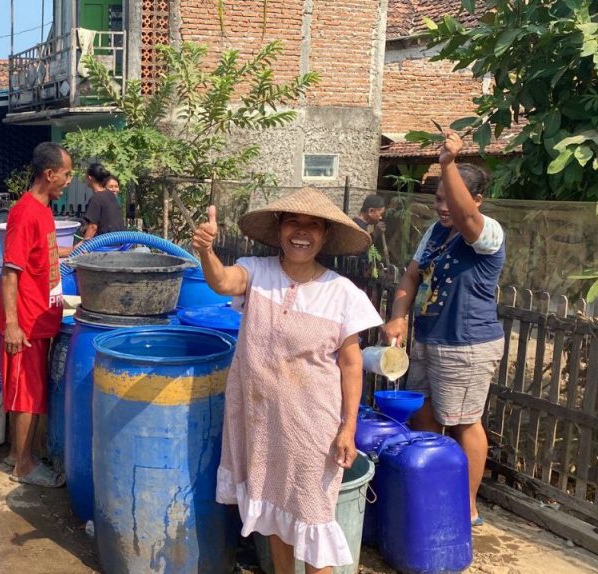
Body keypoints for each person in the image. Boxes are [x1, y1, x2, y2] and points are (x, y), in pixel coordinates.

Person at [194, 187, 382, 572]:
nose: (301, 232)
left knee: (314, 524)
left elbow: (350, 364)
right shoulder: (257, 271)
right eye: (293, 222)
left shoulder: (342, 293)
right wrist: (206, 251)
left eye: (313, 226)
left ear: (325, 236)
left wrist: (348, 428)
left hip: (312, 428)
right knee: (274, 515)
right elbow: (223, 282)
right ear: (279, 229)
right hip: (262, 422)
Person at [381, 132, 504, 528]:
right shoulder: (434, 233)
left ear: (477, 200)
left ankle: (466, 506)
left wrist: (447, 164)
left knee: (465, 420)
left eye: (450, 199)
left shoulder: (488, 232)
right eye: (437, 200)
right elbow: (411, 276)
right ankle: (429, 490)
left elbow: (467, 219)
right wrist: (398, 314)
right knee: (426, 416)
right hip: (430, 339)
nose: (443, 207)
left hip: (467, 343)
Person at [0, 142, 72, 487]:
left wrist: (87, 248)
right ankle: (23, 465)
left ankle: (19, 453)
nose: (69, 181)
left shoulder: (44, 211)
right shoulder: (25, 212)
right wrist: (12, 324)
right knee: (26, 391)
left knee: (32, 389)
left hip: (41, 318)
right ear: (49, 173)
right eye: (66, 174)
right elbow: (10, 271)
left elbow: (43, 252)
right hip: (25, 321)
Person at [81, 163, 126, 241]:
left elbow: (93, 227)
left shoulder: (96, 198)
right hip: (119, 242)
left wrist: (83, 246)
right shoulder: (110, 195)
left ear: (90, 177)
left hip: (106, 246)